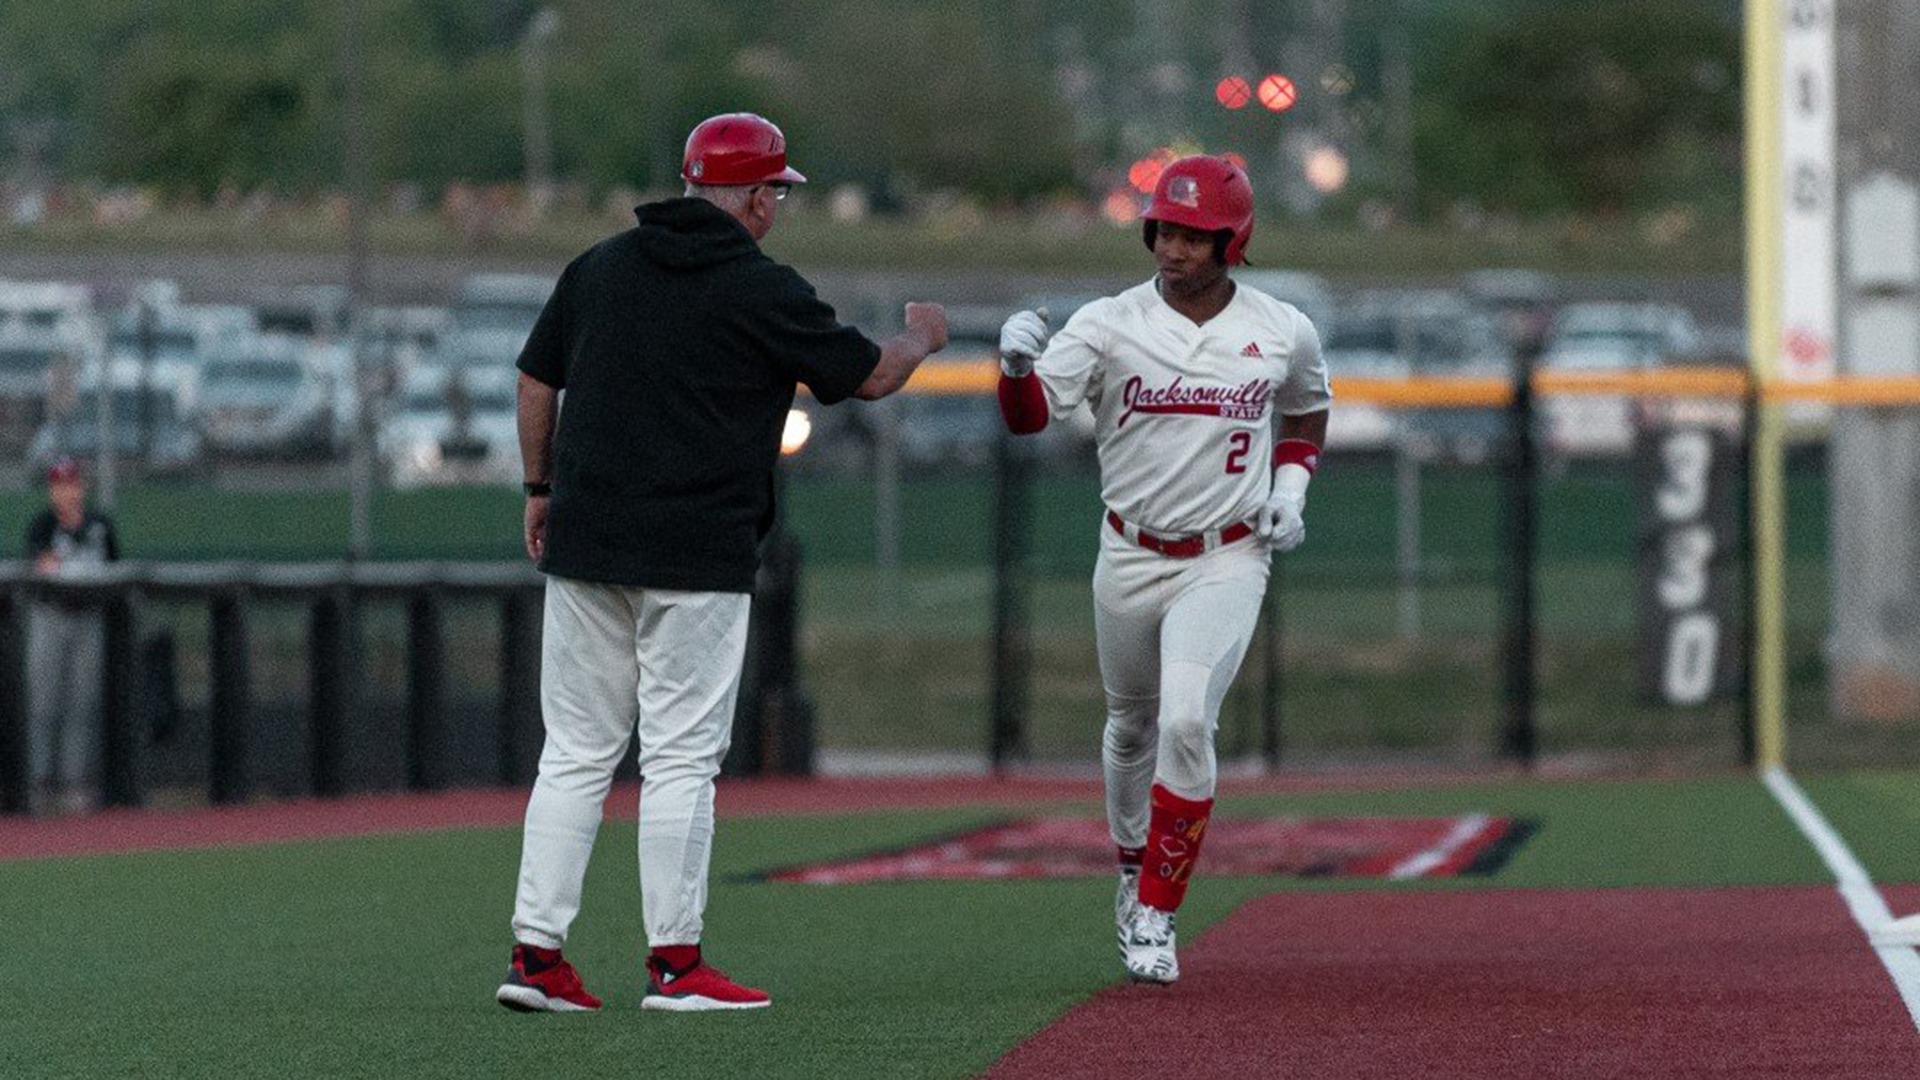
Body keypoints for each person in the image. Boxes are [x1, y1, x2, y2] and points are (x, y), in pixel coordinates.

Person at [499, 111, 948, 1013]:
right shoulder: (760, 286)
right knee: (679, 760)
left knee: (577, 754)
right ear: (752, 197)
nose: (776, 204)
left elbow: (535, 379)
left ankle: (537, 960)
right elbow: (869, 377)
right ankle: (676, 965)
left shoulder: (600, 266)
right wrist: (922, 338)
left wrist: (539, 487)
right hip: (695, 553)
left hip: (587, 541)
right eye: (776, 190)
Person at [995, 155, 1331, 984]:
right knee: (1130, 728)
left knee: (1187, 722)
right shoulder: (1109, 322)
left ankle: (1158, 909)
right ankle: (1130, 863)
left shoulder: (1282, 326)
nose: (1174, 248)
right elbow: (1033, 417)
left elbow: (1308, 405)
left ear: (1232, 240)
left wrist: (1291, 487)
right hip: (1129, 552)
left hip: (1227, 554)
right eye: (1165, 230)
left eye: (1194, 234)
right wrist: (1011, 370)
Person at [24, 456, 120, 816]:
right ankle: (39, 783)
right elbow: (41, 564)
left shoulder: (99, 524)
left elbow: (112, 566)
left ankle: (75, 783)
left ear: (81, 486)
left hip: (89, 617)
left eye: (70, 483)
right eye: (58, 484)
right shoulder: (44, 524)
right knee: (43, 702)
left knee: (83, 702)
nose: (65, 490)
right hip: (51, 615)